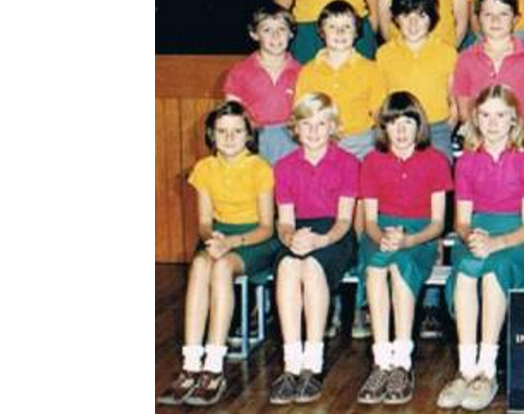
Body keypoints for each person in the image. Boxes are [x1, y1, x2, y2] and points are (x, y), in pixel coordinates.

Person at [158, 102, 279, 406]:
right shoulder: (204, 168)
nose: (229, 138)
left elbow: (267, 226)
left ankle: (214, 364)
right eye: (222, 131)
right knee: (200, 266)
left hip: (253, 238)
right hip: (220, 235)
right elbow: (203, 222)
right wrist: (211, 240)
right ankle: (190, 363)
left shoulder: (259, 167)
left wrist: (231, 243)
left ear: (248, 134)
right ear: (211, 134)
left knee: (222, 267)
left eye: (237, 131)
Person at [437, 85, 524, 411]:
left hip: (515, 239)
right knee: (467, 274)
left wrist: (497, 243)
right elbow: (462, 222)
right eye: (485, 115)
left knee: (494, 273)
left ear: (514, 119)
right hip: (478, 236)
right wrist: (473, 239)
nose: (493, 122)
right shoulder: (467, 161)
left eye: (500, 115)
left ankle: (488, 367)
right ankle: (466, 369)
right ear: (475, 119)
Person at [355, 93, 453, 405]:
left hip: (419, 234)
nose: (400, 130)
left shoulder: (436, 160)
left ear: (419, 125)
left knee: (399, 269)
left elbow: (438, 223)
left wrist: (409, 240)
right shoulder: (372, 161)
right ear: (383, 127)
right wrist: (381, 236)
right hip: (381, 231)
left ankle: (402, 361)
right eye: (393, 122)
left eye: (407, 122)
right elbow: (369, 219)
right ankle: (381, 360)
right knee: (375, 268)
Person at [268, 93, 359, 405]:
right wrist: (291, 238)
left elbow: (345, 220)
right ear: (296, 127)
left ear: (332, 127)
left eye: (322, 124)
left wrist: (320, 241)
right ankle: (292, 364)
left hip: (334, 235)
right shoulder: (284, 166)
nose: (314, 131)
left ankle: (314, 362)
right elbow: (285, 222)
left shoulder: (348, 163)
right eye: (307, 123)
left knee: (311, 265)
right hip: (300, 232)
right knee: (289, 265)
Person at [452, 0, 524, 147]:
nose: (495, 20)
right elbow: (464, 109)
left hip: (517, 145)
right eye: (488, 15)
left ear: (516, 19)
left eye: (503, 14)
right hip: (479, 145)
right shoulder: (465, 59)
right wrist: (476, 141)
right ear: (477, 18)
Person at [294, 0, 387, 160]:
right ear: (322, 32)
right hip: (322, 142)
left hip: (361, 144)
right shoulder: (308, 71)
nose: (340, 32)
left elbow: (379, 112)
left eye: (347, 27)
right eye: (332, 27)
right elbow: (301, 113)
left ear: (356, 32)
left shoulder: (371, 69)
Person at [375, 0, 459, 159]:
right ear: (396, 18)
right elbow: (380, 101)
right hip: (398, 131)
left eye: (421, 16)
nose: (413, 24)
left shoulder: (447, 52)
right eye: (406, 15)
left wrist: (445, 128)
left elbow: (454, 100)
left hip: (436, 129)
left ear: (432, 18)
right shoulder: (384, 54)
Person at [223, 4, 301, 165]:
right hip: (254, 140)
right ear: (254, 34)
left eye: (282, 29)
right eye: (267, 30)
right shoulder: (240, 72)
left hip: (291, 141)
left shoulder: (301, 72)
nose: (276, 36)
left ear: (291, 33)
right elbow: (233, 113)